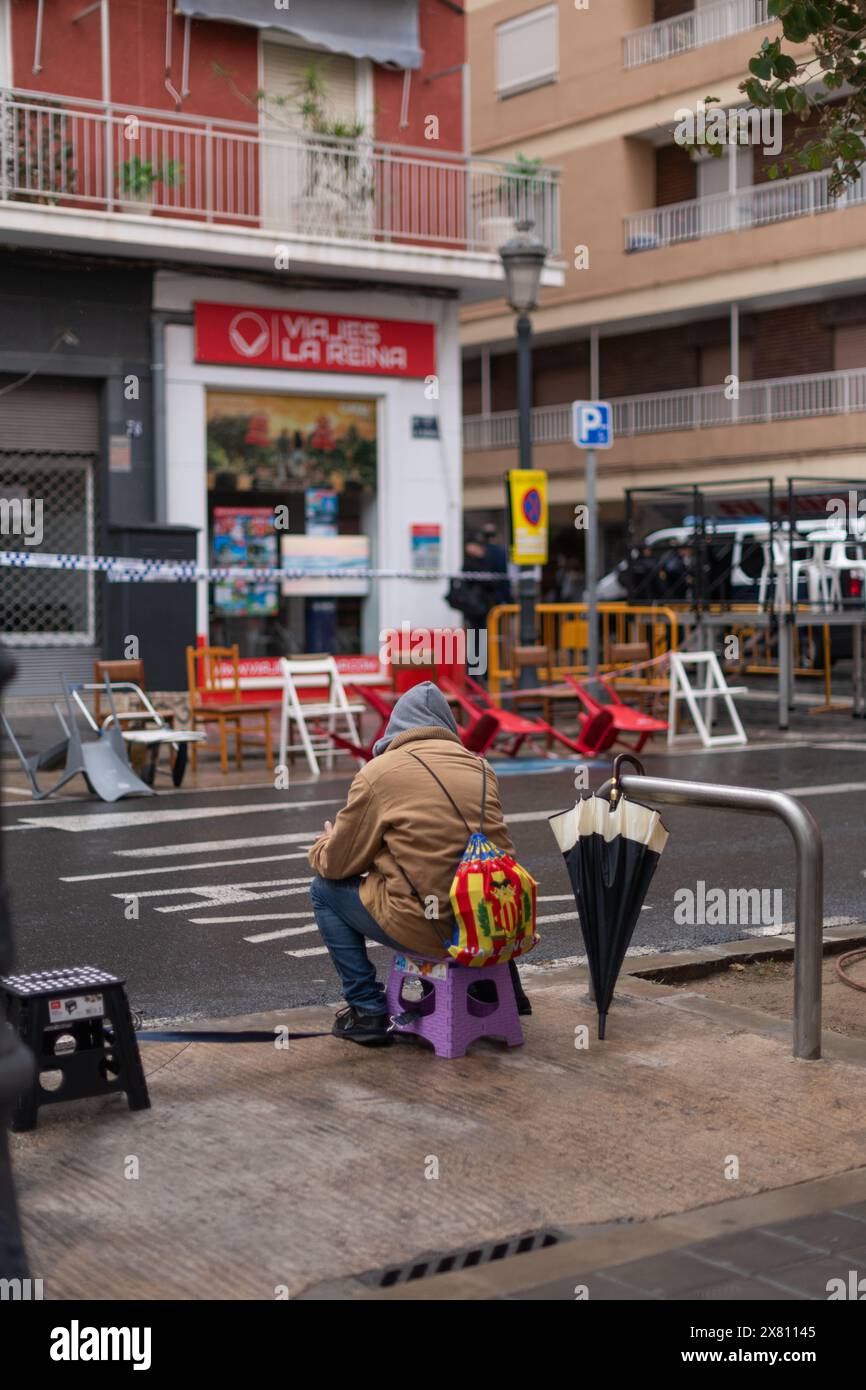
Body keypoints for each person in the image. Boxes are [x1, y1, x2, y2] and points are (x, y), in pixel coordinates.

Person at [308, 680, 532, 1045]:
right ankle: (507, 995)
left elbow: (338, 865)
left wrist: (324, 844)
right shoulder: (481, 768)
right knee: (481, 879)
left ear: (396, 729)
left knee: (323, 891)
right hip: (493, 924)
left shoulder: (378, 773)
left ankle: (366, 1009)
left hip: (429, 927)